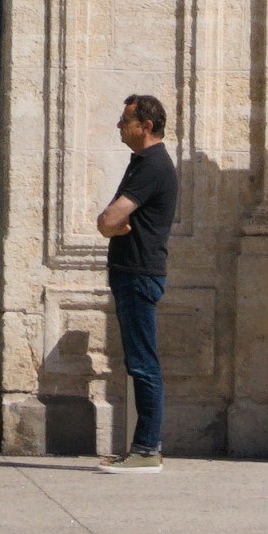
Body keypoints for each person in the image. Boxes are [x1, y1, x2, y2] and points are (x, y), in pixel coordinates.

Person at [95, 93, 177, 471]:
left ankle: (146, 450)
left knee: (144, 365)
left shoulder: (153, 165)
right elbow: (111, 221)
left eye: (126, 119)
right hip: (133, 273)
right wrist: (110, 223)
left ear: (146, 126)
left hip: (139, 274)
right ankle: (143, 448)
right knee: (139, 362)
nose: (119, 125)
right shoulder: (143, 163)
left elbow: (112, 218)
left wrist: (110, 223)